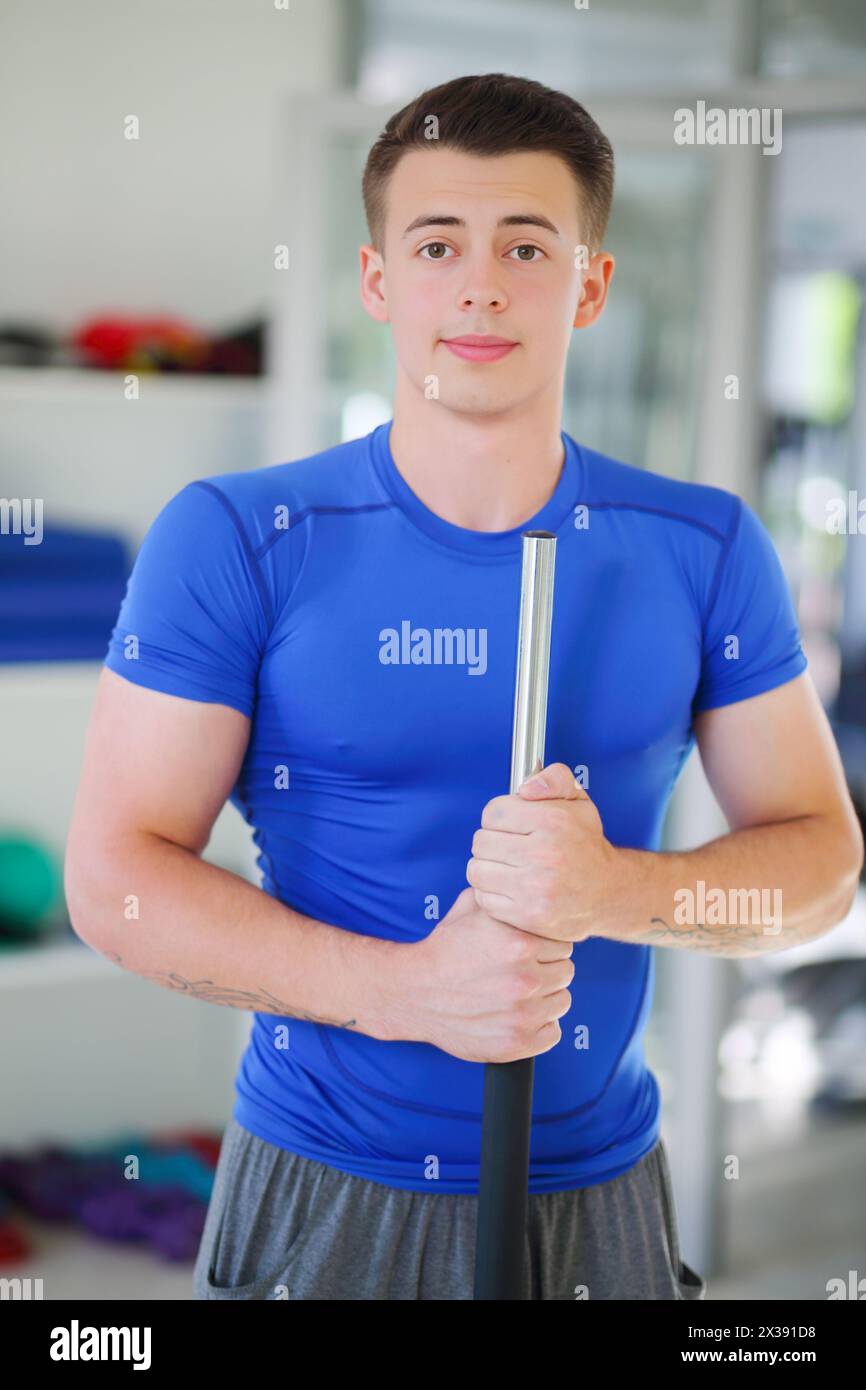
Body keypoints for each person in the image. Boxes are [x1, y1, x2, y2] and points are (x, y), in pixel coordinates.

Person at [65, 72, 864, 1302]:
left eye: (525, 245)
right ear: (379, 280)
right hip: (324, 1185)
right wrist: (408, 994)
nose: (480, 283)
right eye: (437, 243)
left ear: (587, 285)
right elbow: (115, 879)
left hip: (598, 1189)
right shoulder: (238, 534)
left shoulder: (699, 545)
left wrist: (613, 889)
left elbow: (819, 868)